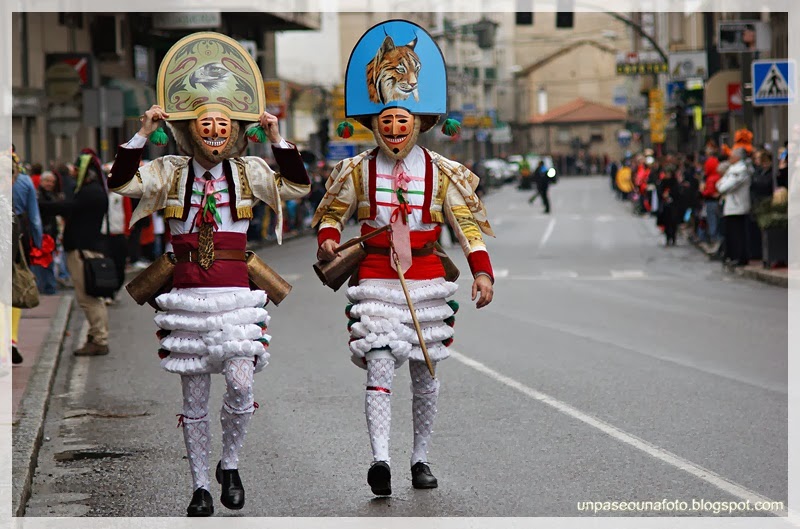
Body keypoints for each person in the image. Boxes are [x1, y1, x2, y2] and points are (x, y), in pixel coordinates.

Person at [108, 32, 309, 517]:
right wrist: (141, 133)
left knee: (241, 384)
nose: (214, 131)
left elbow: (299, 187)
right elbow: (120, 183)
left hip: (237, 299)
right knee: (194, 399)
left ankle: (231, 462)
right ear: (189, 129)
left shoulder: (250, 169)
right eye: (205, 124)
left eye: (222, 124)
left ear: (234, 129)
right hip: (187, 299)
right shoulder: (169, 170)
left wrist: (278, 138)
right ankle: (200, 485)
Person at [313, 19, 495, 497]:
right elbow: (331, 214)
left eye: (403, 121)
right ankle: (380, 459)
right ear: (375, 124)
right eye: (386, 121)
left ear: (419, 123)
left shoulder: (442, 173)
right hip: (375, 275)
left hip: (428, 277)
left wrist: (483, 273)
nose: (394, 129)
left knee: (425, 370)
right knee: (377, 361)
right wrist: (328, 240)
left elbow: (467, 227)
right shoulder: (356, 170)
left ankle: (420, 458)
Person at [11, 151, 43, 365]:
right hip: (17, 234)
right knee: (16, 284)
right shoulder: (23, 181)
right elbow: (34, 216)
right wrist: (38, 242)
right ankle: (11, 339)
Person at [716, 147, 752, 266]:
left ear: (737, 157)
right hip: (731, 207)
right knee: (731, 233)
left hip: (738, 207)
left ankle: (739, 257)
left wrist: (723, 184)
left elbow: (724, 186)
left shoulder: (740, 169)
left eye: (731, 156)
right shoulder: (732, 169)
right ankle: (732, 256)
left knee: (738, 235)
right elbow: (720, 184)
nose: (729, 159)